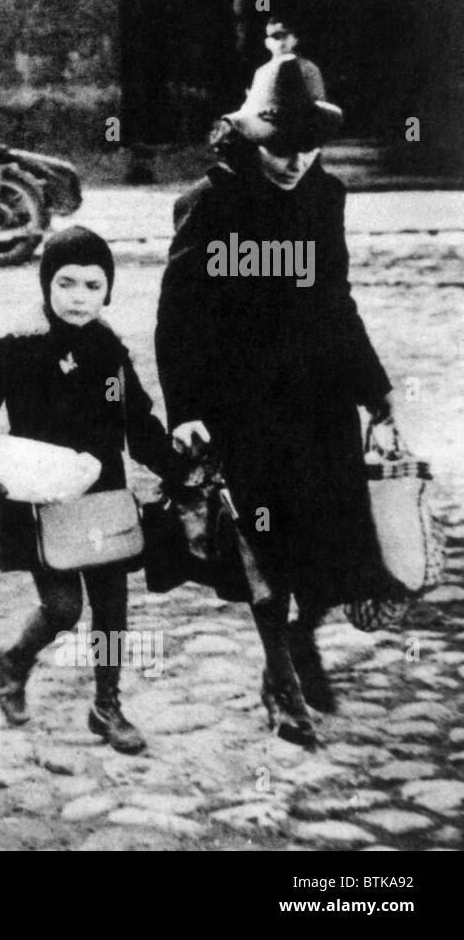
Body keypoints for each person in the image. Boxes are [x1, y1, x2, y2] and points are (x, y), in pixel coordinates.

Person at [155, 56, 393, 749]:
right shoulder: (210, 202)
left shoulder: (328, 196)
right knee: (265, 546)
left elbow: (335, 298)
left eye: (307, 147)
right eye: (279, 147)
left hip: (319, 398)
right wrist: (186, 408)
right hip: (243, 404)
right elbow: (179, 314)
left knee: (332, 539)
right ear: (252, 138)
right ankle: (281, 678)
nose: (293, 161)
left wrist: (374, 391)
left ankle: (301, 637)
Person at [0, 227, 179, 754]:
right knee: (62, 608)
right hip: (37, 495)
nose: (79, 297)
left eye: (93, 286)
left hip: (102, 496)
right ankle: (14, 658)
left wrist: (173, 466)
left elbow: (136, 421)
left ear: (108, 291)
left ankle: (107, 706)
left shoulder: (109, 353)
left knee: (112, 607)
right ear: (46, 285)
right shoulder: (17, 347)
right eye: (66, 283)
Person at [262, 15, 326, 98]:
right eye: (275, 37)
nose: (281, 41)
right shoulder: (263, 72)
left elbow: (319, 100)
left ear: (295, 39)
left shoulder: (309, 69)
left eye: (285, 35)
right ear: (267, 42)